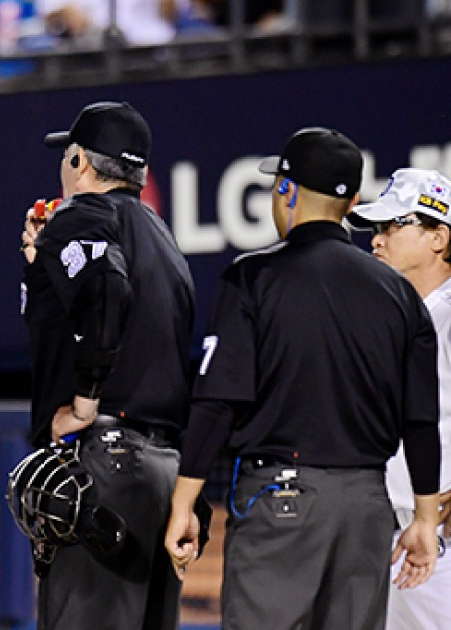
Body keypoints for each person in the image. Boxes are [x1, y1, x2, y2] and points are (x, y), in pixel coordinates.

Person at [164, 129, 443, 629]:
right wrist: (424, 518)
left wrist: (184, 503)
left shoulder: (253, 276)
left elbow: (217, 402)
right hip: (366, 506)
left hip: (282, 499)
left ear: (285, 191)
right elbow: (419, 418)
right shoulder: (397, 294)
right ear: (353, 201)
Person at [18, 100, 196, 629]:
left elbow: (103, 288)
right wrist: (43, 270)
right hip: (162, 471)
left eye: (69, 156)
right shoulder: (163, 239)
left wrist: (84, 400)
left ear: (82, 164)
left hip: (106, 465)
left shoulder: (81, 215)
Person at [348, 168, 451, 630]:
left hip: (438, 540)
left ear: (438, 237)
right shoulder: (405, 316)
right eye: (375, 228)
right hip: (396, 531)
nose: (377, 240)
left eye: (392, 226)